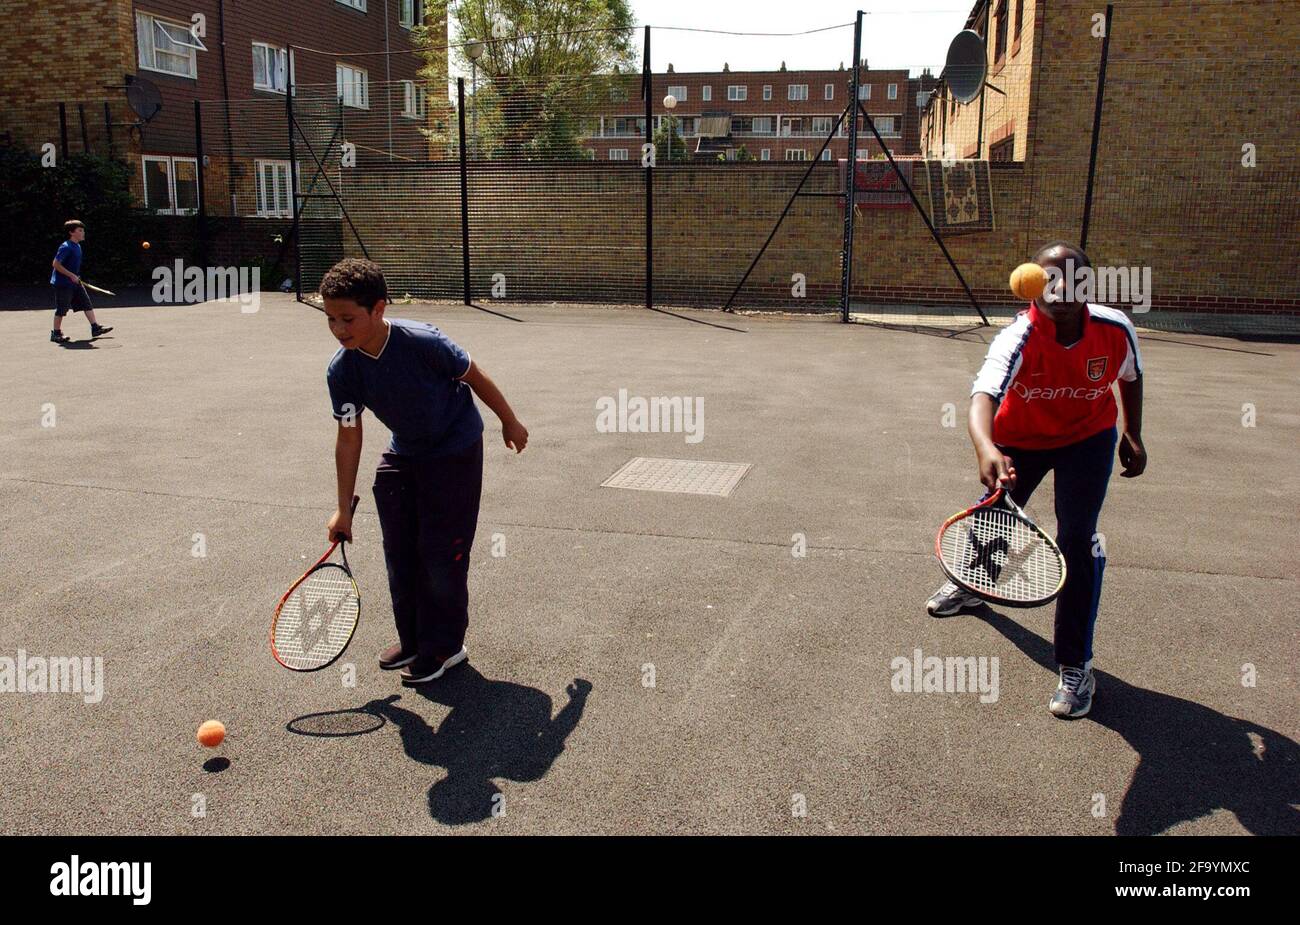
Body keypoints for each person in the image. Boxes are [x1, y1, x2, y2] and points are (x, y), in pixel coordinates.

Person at [926, 241, 1147, 719]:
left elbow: (1130, 376)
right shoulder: (1017, 337)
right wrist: (987, 448)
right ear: (1033, 282)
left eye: (1073, 276)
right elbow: (983, 396)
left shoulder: (1114, 328)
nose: (1061, 285)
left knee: (1078, 541)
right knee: (996, 517)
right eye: (1049, 276)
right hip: (1019, 440)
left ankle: (1075, 665)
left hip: (1086, 440)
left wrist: (1133, 431)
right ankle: (973, 587)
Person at [320, 258, 528, 686]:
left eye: (348, 318)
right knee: (399, 551)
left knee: (442, 553)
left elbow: (475, 376)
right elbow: (348, 436)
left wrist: (510, 420)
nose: (339, 329)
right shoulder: (343, 370)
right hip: (406, 451)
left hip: (455, 448)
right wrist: (343, 509)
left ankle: (446, 647)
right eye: (330, 319)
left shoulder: (422, 342)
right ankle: (414, 640)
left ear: (378, 309)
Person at [50, 220, 112, 343]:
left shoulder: (77, 246)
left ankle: (95, 328)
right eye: (80, 230)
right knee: (62, 309)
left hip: (75, 281)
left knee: (86, 303)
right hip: (63, 283)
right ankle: (56, 334)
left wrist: (74, 276)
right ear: (71, 232)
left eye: (83, 230)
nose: (83, 233)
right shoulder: (66, 247)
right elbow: (56, 264)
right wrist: (70, 275)